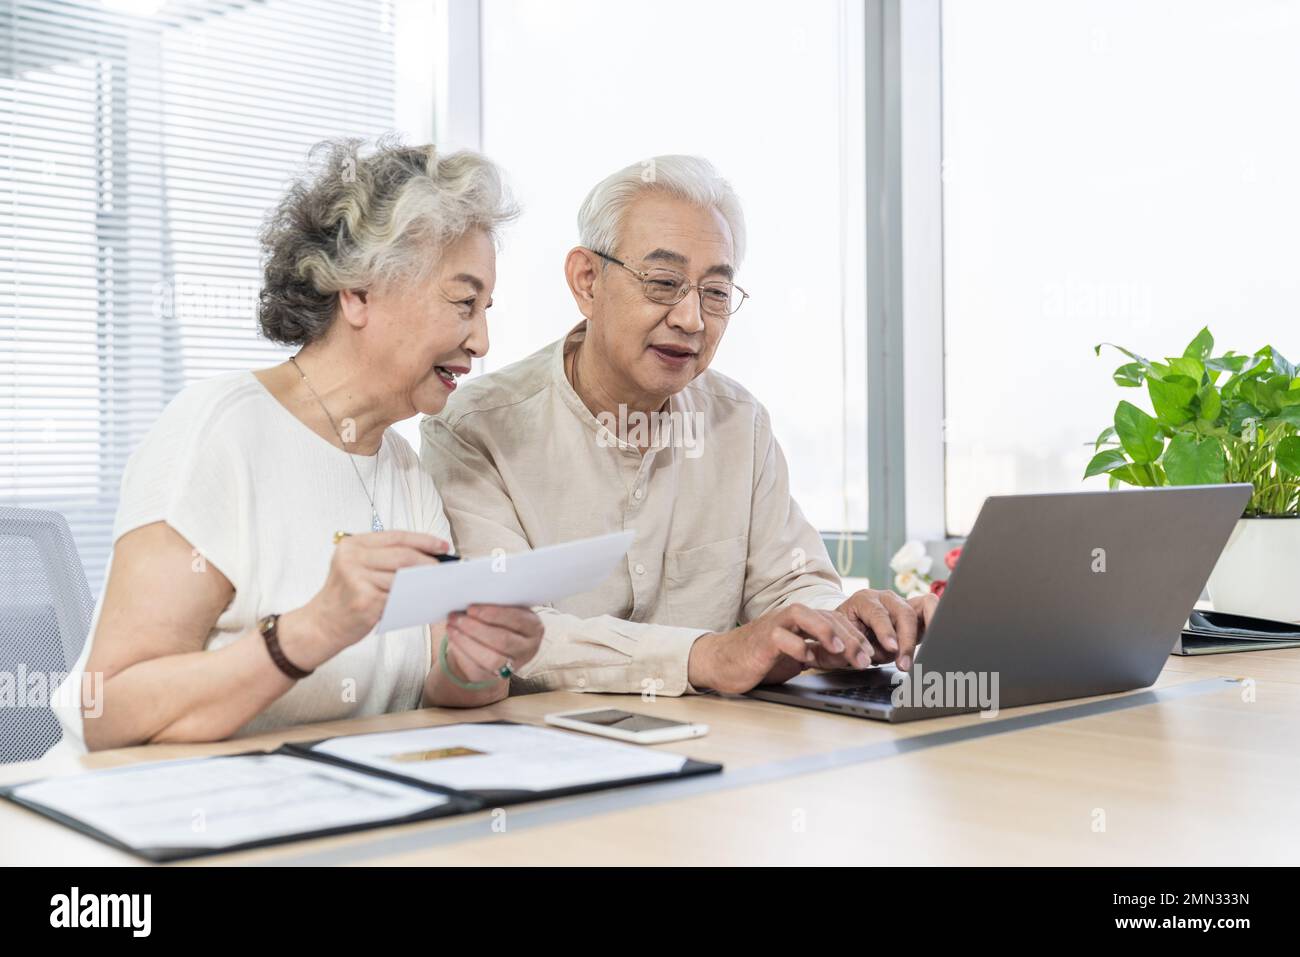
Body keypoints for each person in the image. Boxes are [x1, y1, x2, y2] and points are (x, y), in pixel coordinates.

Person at [54, 139, 542, 752]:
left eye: (487, 308)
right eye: (464, 302)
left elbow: (434, 687)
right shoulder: (219, 433)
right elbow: (109, 711)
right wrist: (312, 629)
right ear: (359, 293)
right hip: (147, 819)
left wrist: (477, 665)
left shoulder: (402, 468)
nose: (483, 340)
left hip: (325, 812)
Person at [422, 155, 935, 698]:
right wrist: (705, 655)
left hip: (720, 747)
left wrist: (845, 626)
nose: (691, 319)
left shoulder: (740, 423)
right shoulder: (475, 430)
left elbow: (792, 583)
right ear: (587, 281)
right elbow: (506, 631)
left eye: (715, 292)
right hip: (549, 753)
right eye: (663, 282)